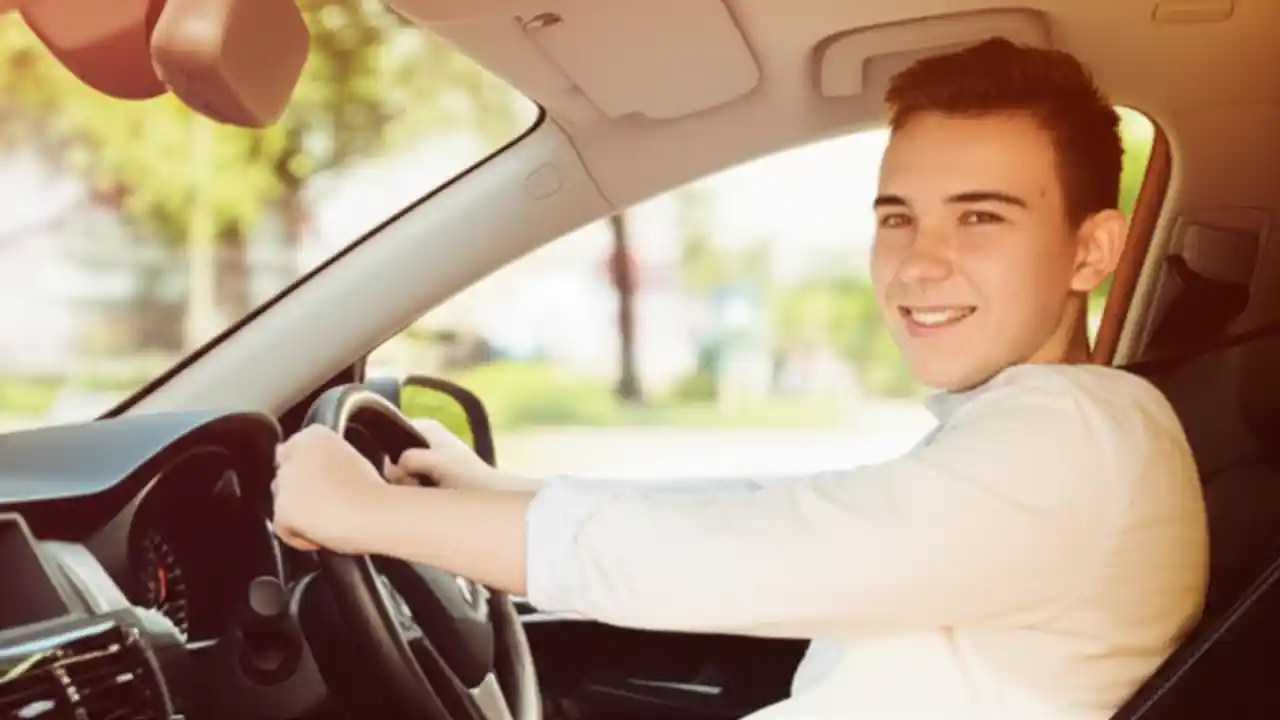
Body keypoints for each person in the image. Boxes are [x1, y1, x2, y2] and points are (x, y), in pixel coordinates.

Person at [271, 38, 1208, 718]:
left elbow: (761, 549)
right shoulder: (1063, 432)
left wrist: (376, 518)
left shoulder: (1073, 439)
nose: (919, 264)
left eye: (980, 219)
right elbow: (812, 509)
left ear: (1091, 250)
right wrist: (507, 492)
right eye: (897, 218)